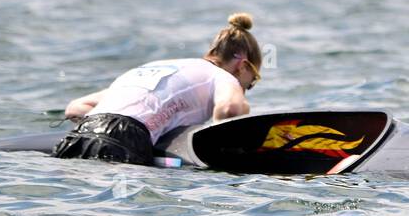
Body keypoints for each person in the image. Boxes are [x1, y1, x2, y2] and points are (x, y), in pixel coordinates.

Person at [52, 13, 263, 166]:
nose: (245, 89)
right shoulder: (222, 77)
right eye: (250, 82)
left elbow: (76, 107)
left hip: (78, 135)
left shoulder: (161, 66)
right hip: (125, 140)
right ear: (243, 66)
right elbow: (230, 109)